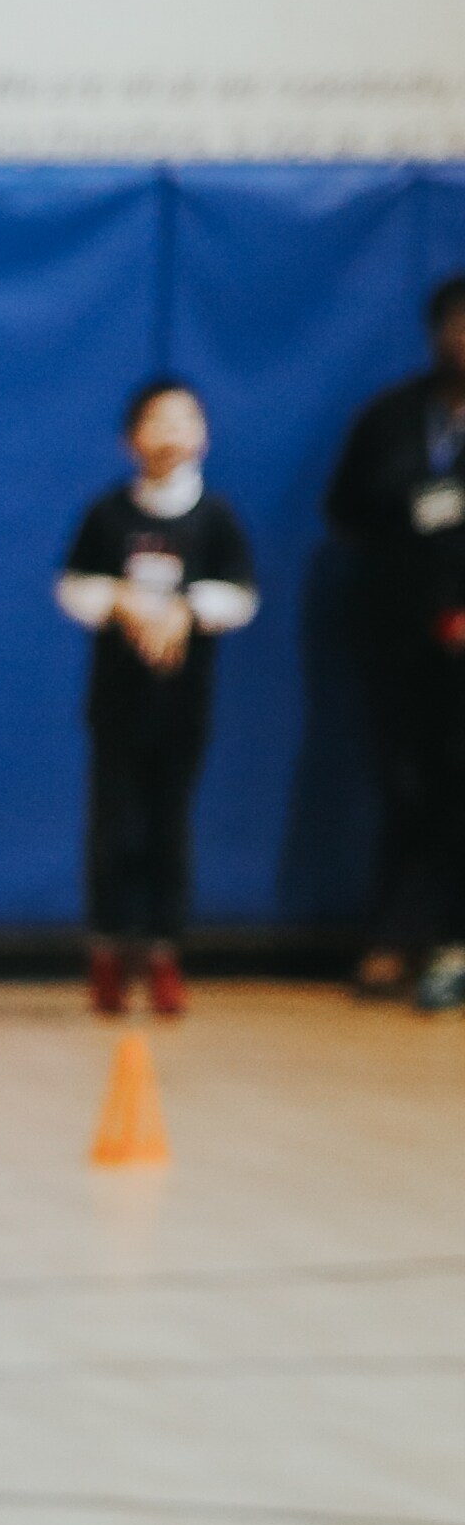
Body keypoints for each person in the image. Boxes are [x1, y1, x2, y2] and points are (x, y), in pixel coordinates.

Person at [62, 377, 259, 1017]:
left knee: (170, 825)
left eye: (185, 419)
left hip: (182, 703)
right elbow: (75, 587)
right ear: (131, 438)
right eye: (158, 419)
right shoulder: (109, 513)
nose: (172, 431)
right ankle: (109, 953)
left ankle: (166, 951)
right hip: (117, 700)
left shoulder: (216, 516)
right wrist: (124, 604)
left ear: (203, 434)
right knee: (113, 826)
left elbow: (239, 595)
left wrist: (184, 612)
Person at [324, 274, 465, 1005]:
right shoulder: (391, 417)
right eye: (457, 324)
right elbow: (344, 511)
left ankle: (454, 941)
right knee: (406, 786)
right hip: (401, 636)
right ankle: (396, 935)